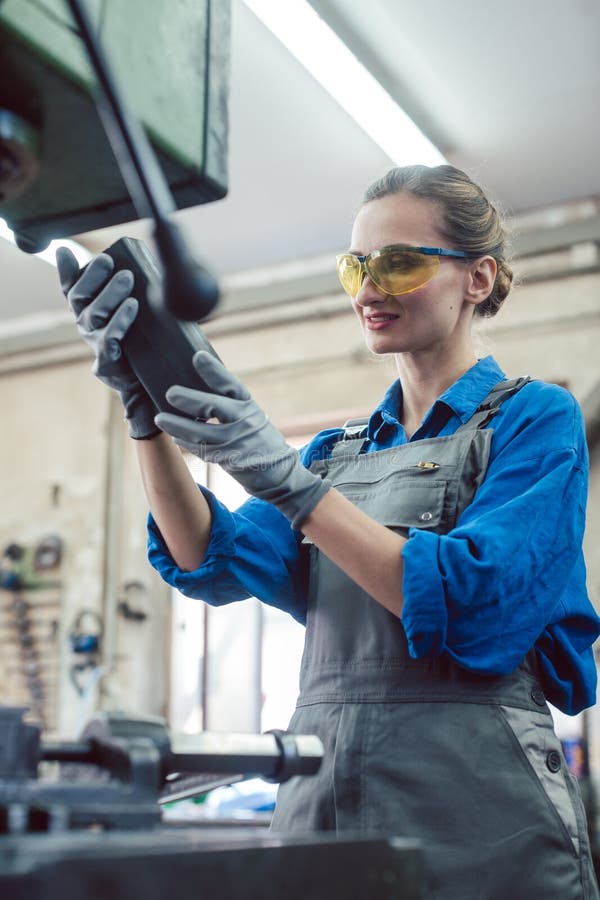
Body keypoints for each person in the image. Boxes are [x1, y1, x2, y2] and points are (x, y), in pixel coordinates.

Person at [58, 164, 600, 899]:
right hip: (327, 794)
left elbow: (478, 601)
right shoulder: (335, 457)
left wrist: (287, 481)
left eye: (399, 264)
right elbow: (208, 557)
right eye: (357, 266)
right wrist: (143, 410)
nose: (369, 291)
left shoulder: (533, 420)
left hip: (476, 805)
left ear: (478, 279)